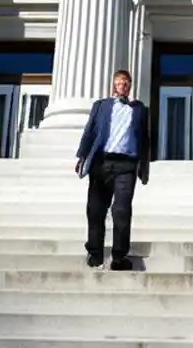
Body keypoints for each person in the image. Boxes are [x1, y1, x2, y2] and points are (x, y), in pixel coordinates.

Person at [75, 69, 151, 271]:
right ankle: (95, 254)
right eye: (119, 82)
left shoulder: (140, 109)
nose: (122, 86)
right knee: (96, 208)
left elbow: (145, 139)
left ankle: (119, 257)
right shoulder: (101, 106)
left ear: (130, 86)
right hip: (101, 162)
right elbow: (89, 131)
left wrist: (144, 168)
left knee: (122, 209)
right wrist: (82, 156)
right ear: (113, 85)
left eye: (126, 83)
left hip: (127, 164)